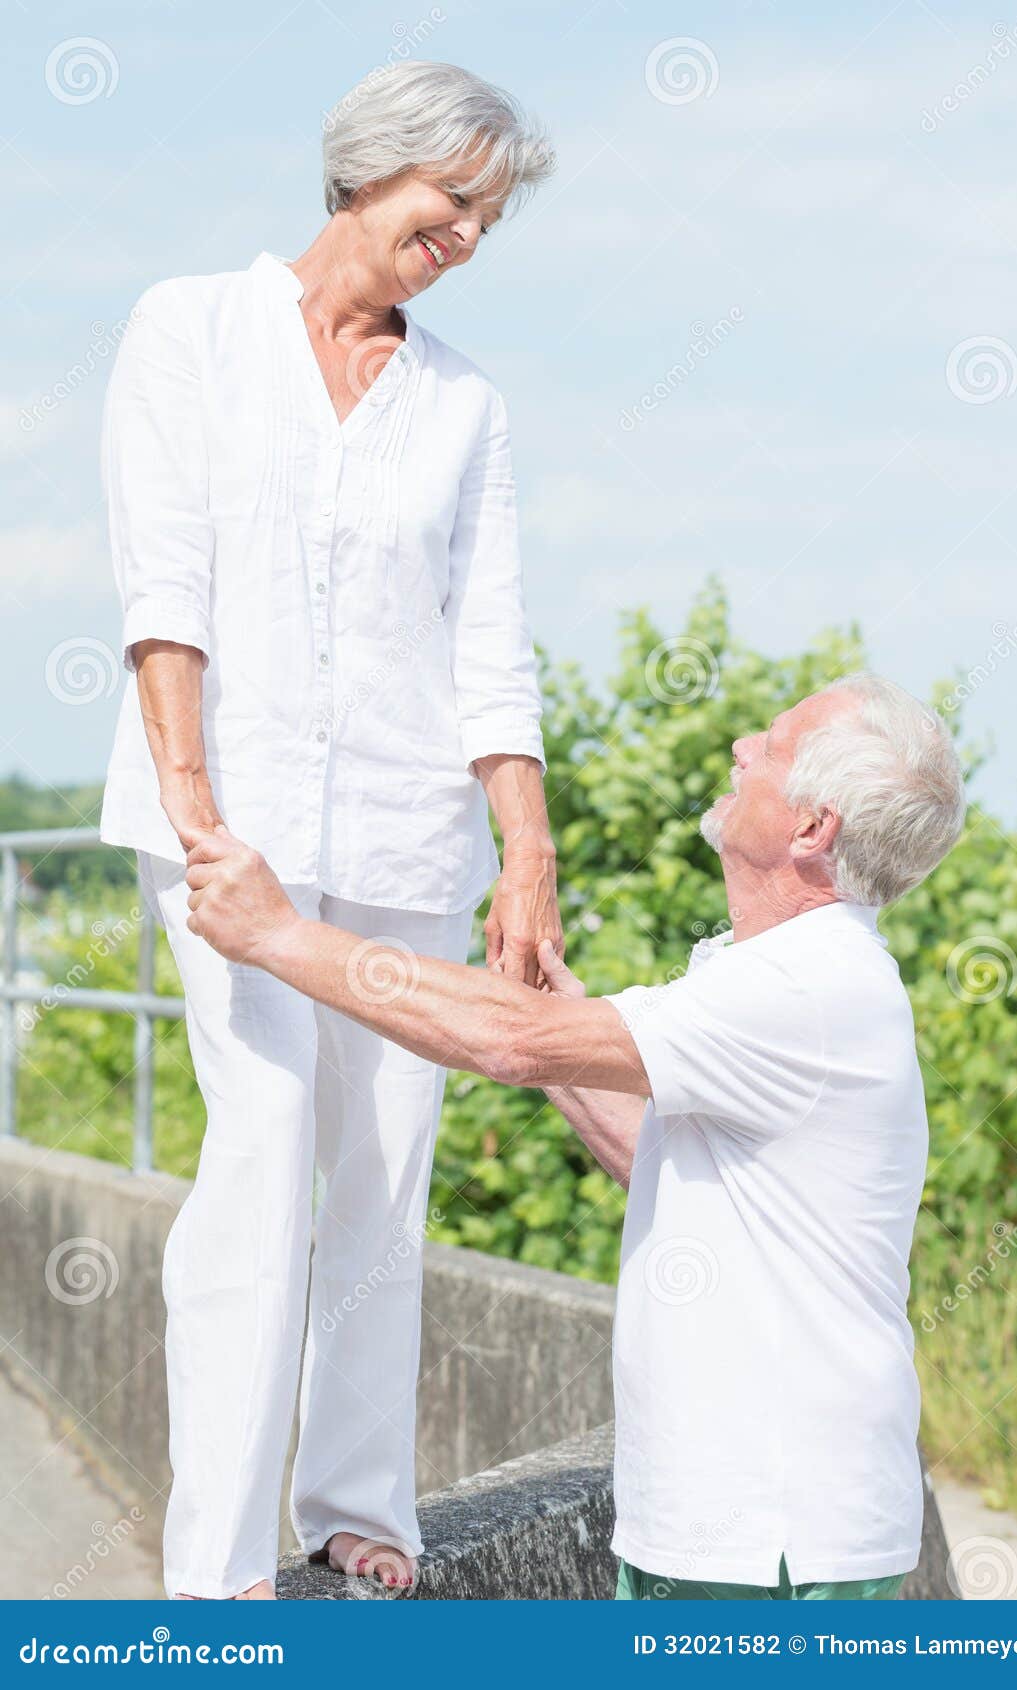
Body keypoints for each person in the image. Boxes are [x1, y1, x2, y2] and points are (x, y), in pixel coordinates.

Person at [184, 673, 967, 1601]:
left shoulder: (808, 985)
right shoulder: (777, 972)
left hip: (775, 1545)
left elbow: (508, 1043)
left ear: (812, 829)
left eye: (775, 744)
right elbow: (666, 1164)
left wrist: (277, 935)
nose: (741, 746)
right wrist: (560, 1033)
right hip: (727, 1530)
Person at [99, 61, 561, 1599]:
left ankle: (358, 1502)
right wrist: (197, 813)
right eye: (458, 202)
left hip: (408, 841)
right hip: (230, 840)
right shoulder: (191, 329)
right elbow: (164, 589)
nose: (473, 236)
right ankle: (216, 1568)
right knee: (261, 1154)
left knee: (383, 1166)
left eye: (493, 215)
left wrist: (528, 854)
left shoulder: (466, 405)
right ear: (375, 170)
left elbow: (491, 649)